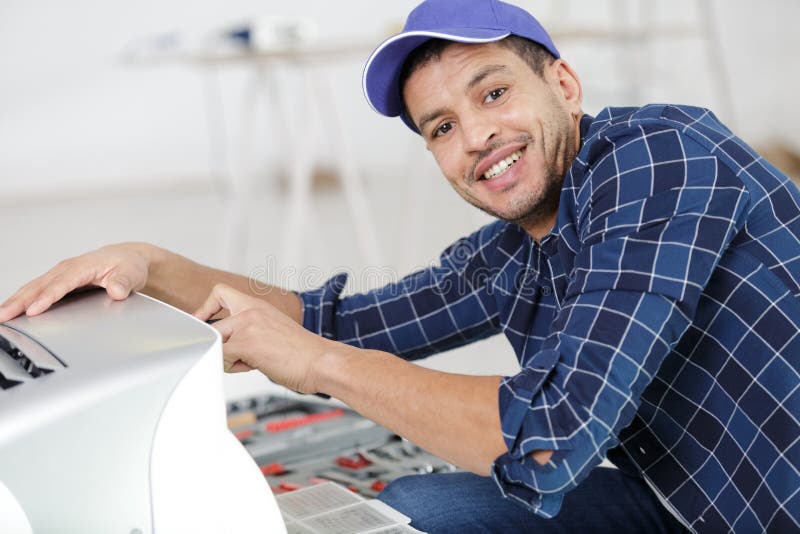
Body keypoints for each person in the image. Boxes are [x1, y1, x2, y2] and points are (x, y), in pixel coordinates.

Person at [1, 0, 798, 531]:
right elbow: (336, 322)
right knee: (411, 507)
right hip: (677, 495)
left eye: (492, 94)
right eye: (441, 126)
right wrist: (148, 262)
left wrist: (319, 365)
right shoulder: (513, 251)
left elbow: (555, 431)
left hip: (771, 504)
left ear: (563, 83)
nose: (475, 138)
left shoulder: (660, 157)